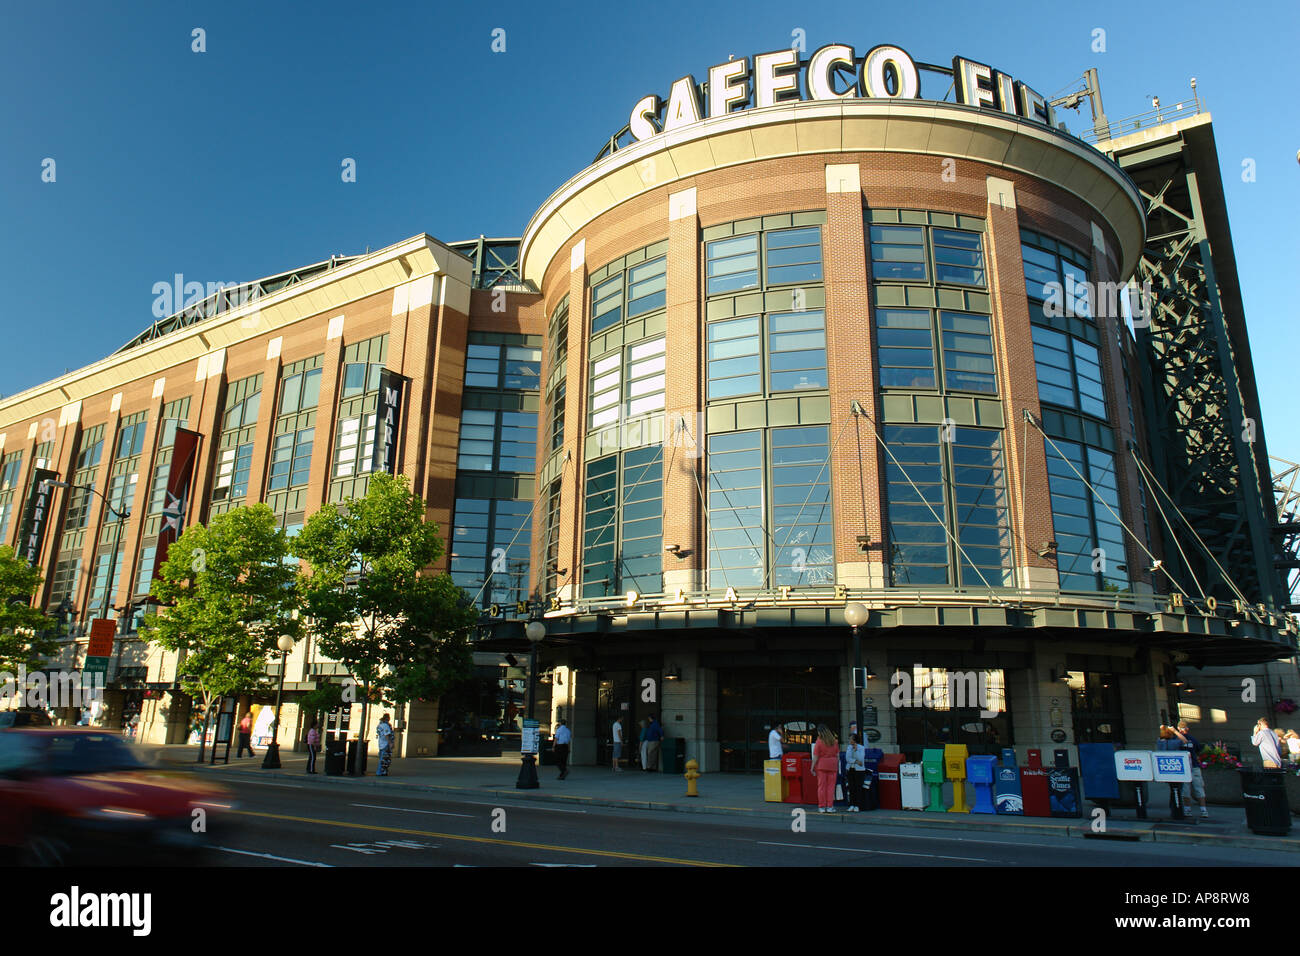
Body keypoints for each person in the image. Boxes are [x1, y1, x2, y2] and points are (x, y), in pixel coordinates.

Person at [1170, 720, 1207, 818]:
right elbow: (1199, 750)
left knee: (1185, 790)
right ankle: (1203, 810)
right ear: (1188, 729)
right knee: (1199, 789)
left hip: (1183, 768)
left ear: (1178, 728)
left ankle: (1187, 810)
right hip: (1194, 766)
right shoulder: (1193, 739)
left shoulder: (1175, 739)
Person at [812, 724, 840, 813]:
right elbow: (838, 755)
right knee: (831, 787)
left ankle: (822, 806)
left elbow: (815, 756)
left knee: (821, 787)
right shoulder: (834, 741)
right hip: (833, 765)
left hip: (822, 765)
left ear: (820, 732)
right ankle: (830, 806)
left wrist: (812, 767)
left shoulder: (819, 742)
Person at [843, 733, 866, 812]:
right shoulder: (849, 748)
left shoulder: (861, 748)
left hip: (859, 770)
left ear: (855, 740)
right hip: (850, 769)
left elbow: (861, 758)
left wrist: (856, 751)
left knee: (858, 787)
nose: (850, 740)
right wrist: (855, 761)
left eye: (851, 739)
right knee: (851, 787)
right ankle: (851, 804)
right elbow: (847, 758)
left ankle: (858, 805)